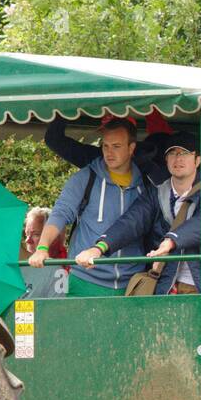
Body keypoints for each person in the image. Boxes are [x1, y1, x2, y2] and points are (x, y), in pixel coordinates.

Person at [75, 131, 201, 329]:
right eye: (173, 153)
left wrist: (170, 241)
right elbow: (131, 221)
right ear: (166, 159)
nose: (178, 159)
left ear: (197, 160)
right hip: (166, 286)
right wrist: (99, 247)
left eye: (185, 153)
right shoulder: (156, 193)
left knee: (192, 349)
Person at [30, 118, 148, 296]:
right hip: (86, 279)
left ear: (131, 148)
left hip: (133, 284)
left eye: (116, 146)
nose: (109, 152)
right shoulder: (85, 178)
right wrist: (42, 248)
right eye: (105, 146)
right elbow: (61, 213)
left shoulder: (147, 183)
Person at [44, 104, 201, 189]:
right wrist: (64, 104)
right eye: (105, 142)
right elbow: (54, 140)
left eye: (116, 143)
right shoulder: (98, 160)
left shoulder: (157, 159)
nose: (110, 150)